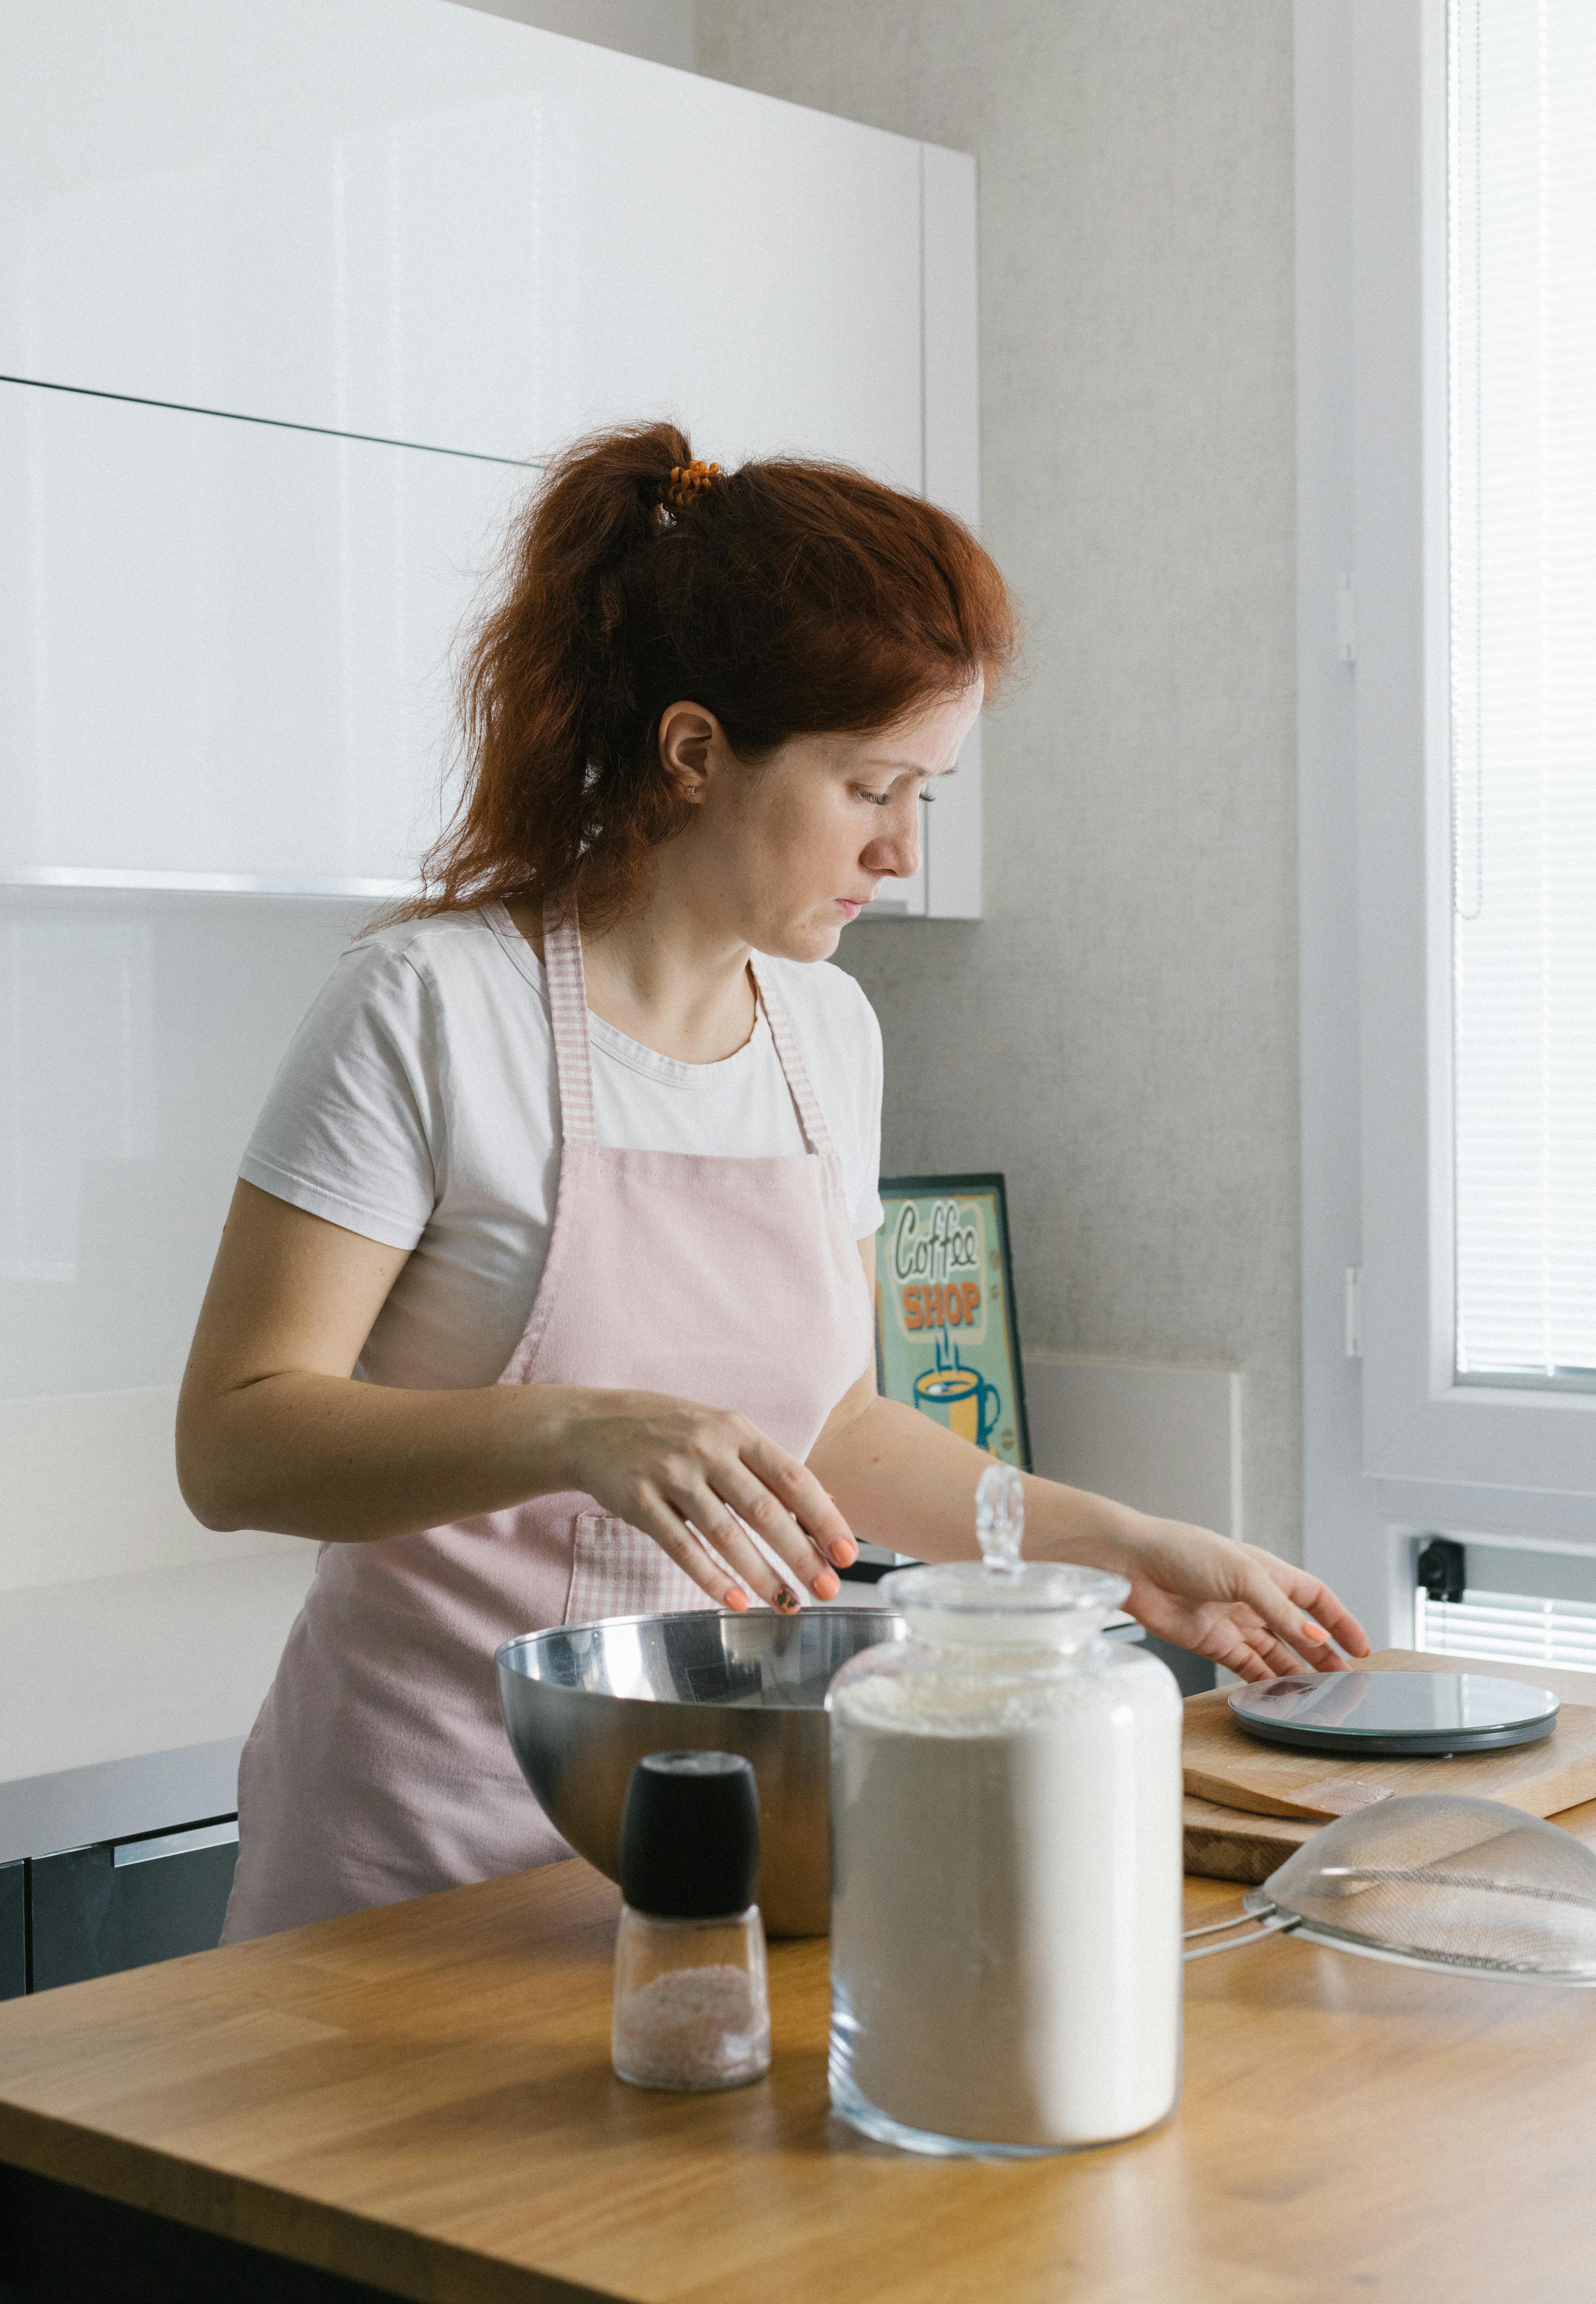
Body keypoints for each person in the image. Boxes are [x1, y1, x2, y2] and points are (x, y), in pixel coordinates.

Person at [177, 424, 1369, 1940]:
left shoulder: (826, 1031)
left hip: (730, 1854)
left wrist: (1124, 1553)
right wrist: (573, 1429)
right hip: (422, 1858)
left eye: (928, 790)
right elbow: (234, 1445)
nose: (905, 849)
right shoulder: (427, 1008)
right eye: (874, 785)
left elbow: (834, 1434)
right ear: (693, 752)